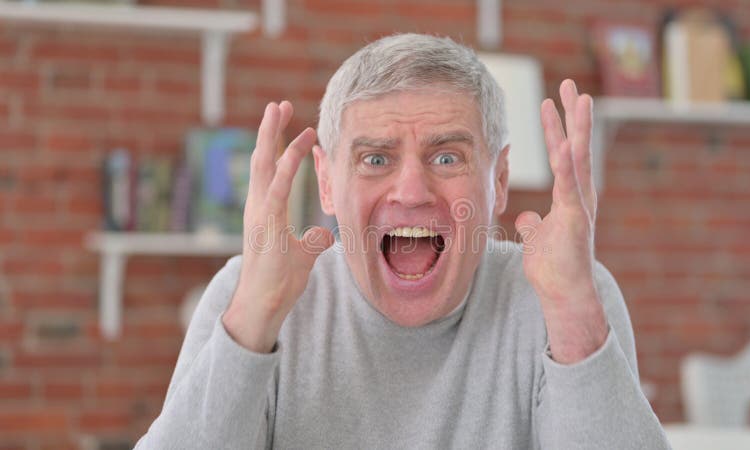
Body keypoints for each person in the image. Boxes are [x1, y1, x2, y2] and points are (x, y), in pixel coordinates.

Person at [135, 33, 670, 449]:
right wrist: (254, 317)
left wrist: (574, 321)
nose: (412, 190)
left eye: (446, 157)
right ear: (325, 181)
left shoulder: (568, 295)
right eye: (375, 159)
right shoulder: (245, 295)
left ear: (499, 179)